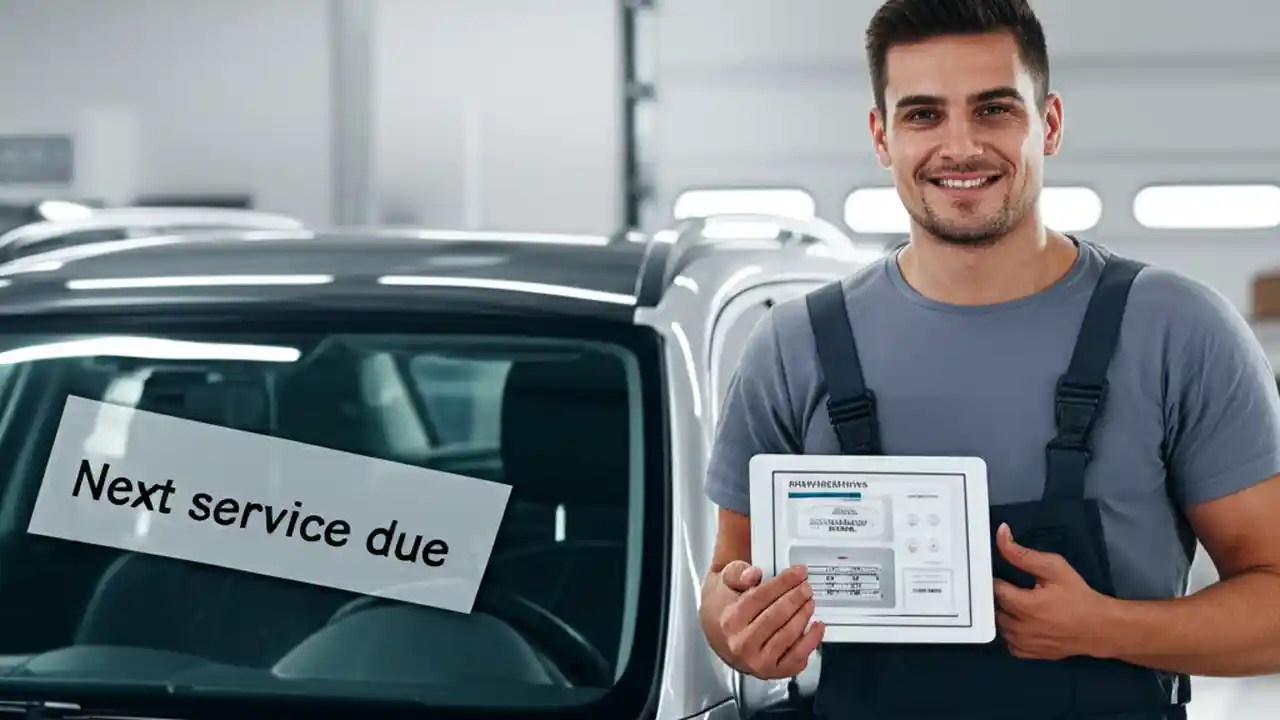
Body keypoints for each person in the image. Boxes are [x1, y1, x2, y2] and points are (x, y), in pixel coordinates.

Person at [697, 1, 1280, 718]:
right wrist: (739, 631)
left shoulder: (1176, 330)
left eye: (994, 109)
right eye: (923, 115)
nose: (961, 146)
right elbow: (725, 585)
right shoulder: (794, 346)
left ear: (1051, 123)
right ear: (882, 136)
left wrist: (1107, 628)